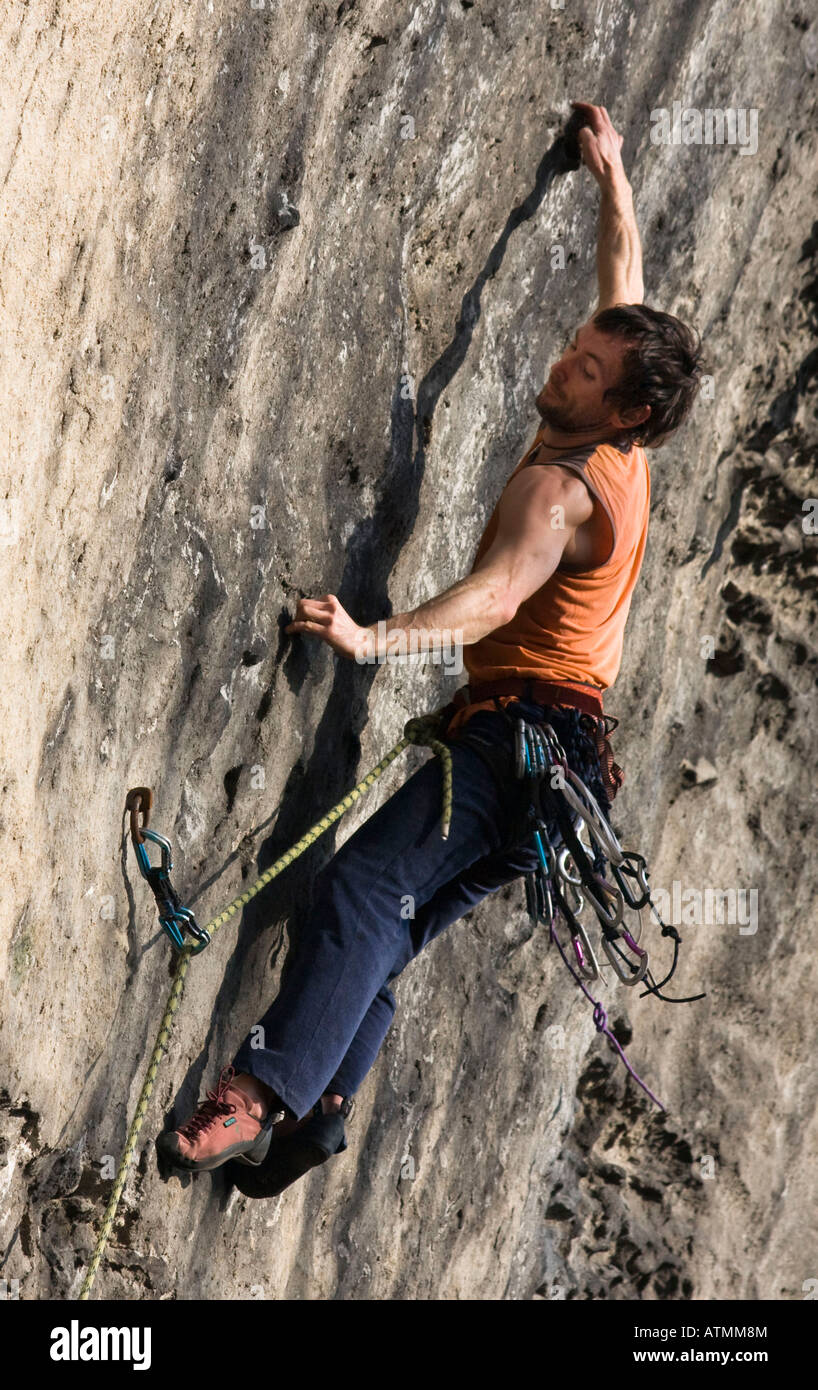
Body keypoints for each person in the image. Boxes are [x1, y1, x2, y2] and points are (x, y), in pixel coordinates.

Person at [157, 102, 705, 1190]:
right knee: (389, 928)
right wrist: (612, 178)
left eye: (586, 371)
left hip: (516, 748)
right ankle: (326, 1109)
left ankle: (260, 1095)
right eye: (576, 350)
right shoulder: (626, 438)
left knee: (361, 894)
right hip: (550, 771)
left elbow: (494, 600)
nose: (564, 364)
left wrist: (372, 638)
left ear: (626, 412)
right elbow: (625, 278)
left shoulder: (563, 493)